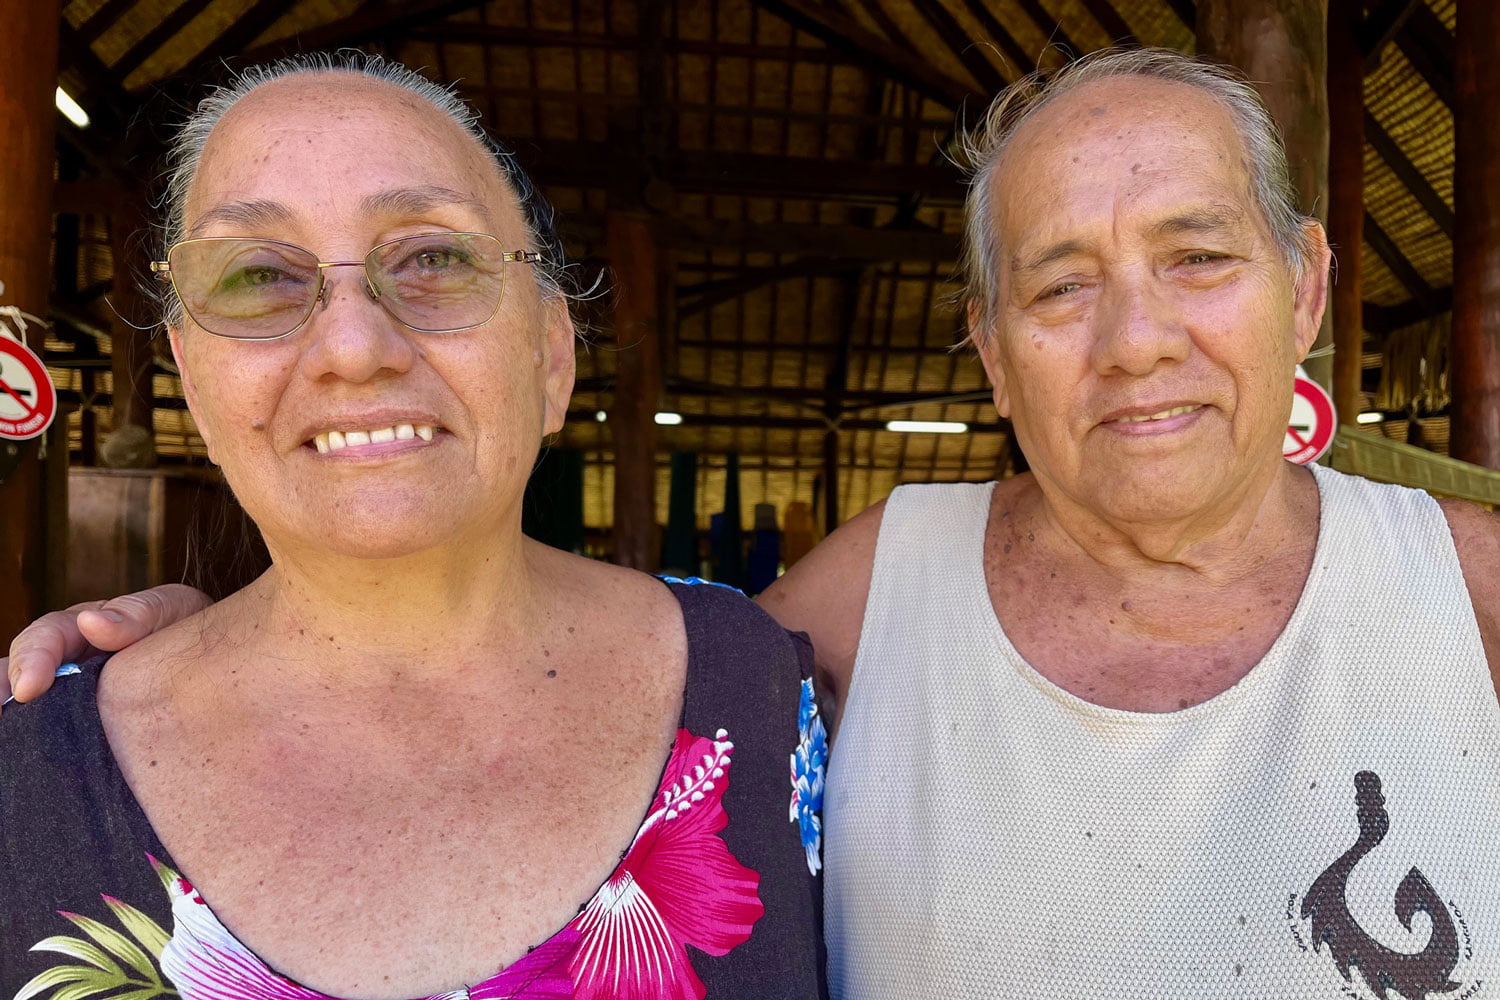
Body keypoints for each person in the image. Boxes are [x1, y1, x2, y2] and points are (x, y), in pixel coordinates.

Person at [9, 46, 1500, 998]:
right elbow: (452, 644)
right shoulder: (862, 606)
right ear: (991, 350)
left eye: (1200, 258)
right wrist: (223, 645)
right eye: (1060, 285)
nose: (1138, 340)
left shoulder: (1477, 599)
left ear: (1307, 284)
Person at [0, 54, 828, 1000]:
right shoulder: (29, 771)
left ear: (552, 354)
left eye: (434, 258)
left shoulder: (763, 687)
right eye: (259, 274)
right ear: (194, 382)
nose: (354, 348)